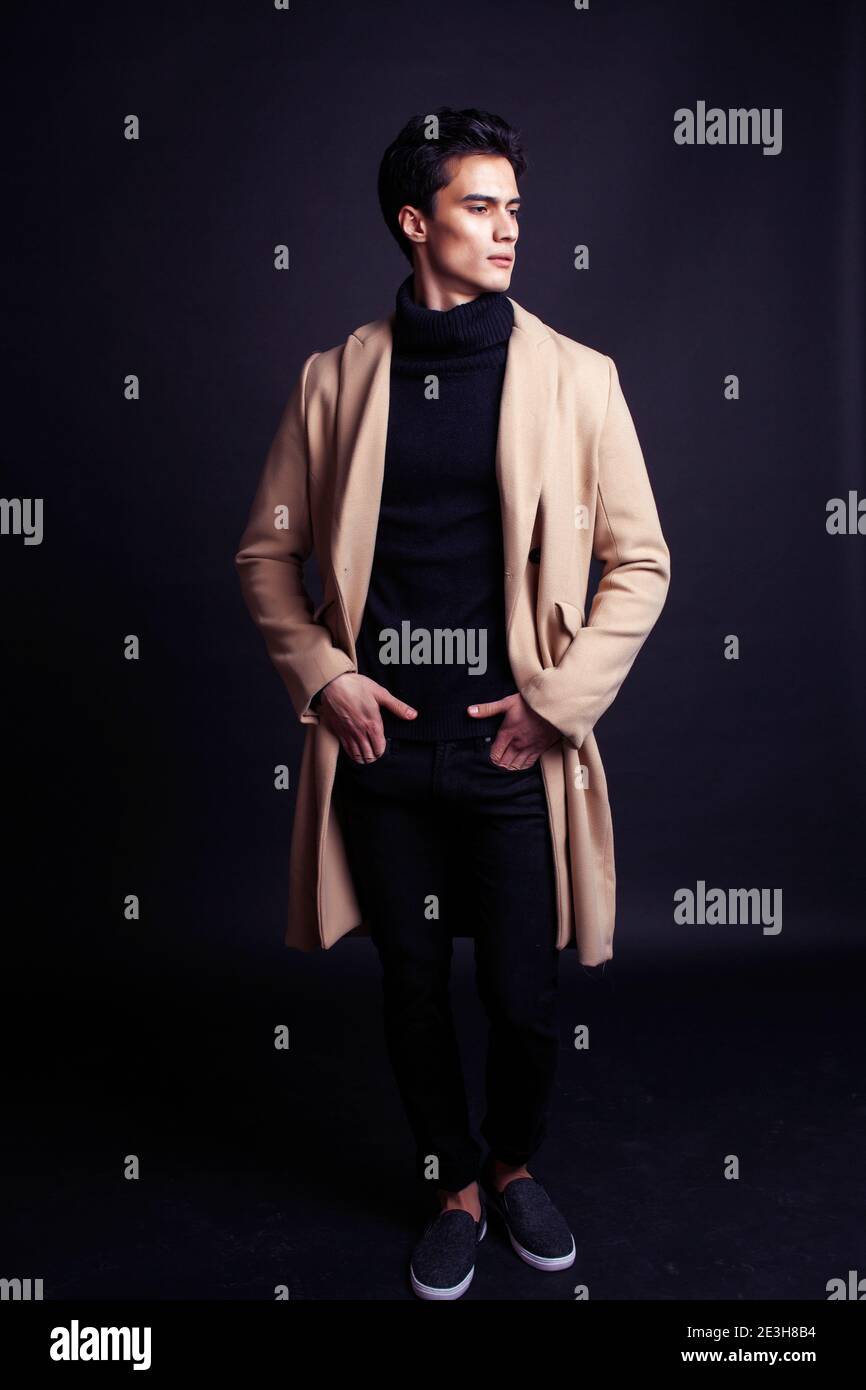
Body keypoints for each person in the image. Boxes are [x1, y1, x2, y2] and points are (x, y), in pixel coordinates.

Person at [235, 106, 671, 1300]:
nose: (506, 229)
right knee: (412, 988)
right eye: (480, 207)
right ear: (413, 223)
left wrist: (559, 702)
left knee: (521, 999)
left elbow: (641, 562)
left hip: (512, 753)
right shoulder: (334, 380)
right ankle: (452, 1187)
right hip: (382, 752)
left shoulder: (580, 380)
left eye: (514, 208)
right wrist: (326, 677)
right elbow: (264, 555)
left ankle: (514, 1164)